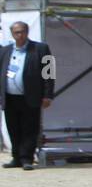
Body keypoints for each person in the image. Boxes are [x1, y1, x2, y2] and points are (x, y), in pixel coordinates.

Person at [0, 22, 55, 170]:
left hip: (31, 96)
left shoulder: (40, 48)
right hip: (10, 97)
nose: (20, 35)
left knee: (30, 128)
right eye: (17, 32)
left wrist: (48, 95)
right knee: (13, 128)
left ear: (27, 32)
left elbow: (49, 72)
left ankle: (27, 159)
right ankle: (16, 157)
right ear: (12, 34)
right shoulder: (5, 51)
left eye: (22, 31)